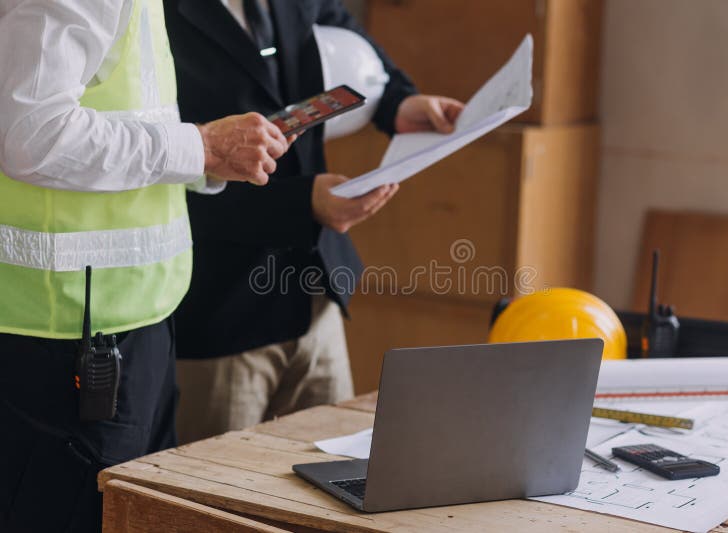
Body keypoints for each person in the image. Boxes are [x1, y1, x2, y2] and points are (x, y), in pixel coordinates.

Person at [0, 0, 291, 530]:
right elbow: (33, 136)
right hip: (68, 329)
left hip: (128, 322)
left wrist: (207, 155)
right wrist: (197, 146)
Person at [164, 0, 464, 443]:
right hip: (217, 313)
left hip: (312, 294)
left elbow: (339, 28)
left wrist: (397, 101)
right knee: (211, 502)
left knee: (329, 480)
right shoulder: (148, 13)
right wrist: (302, 203)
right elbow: (159, 182)